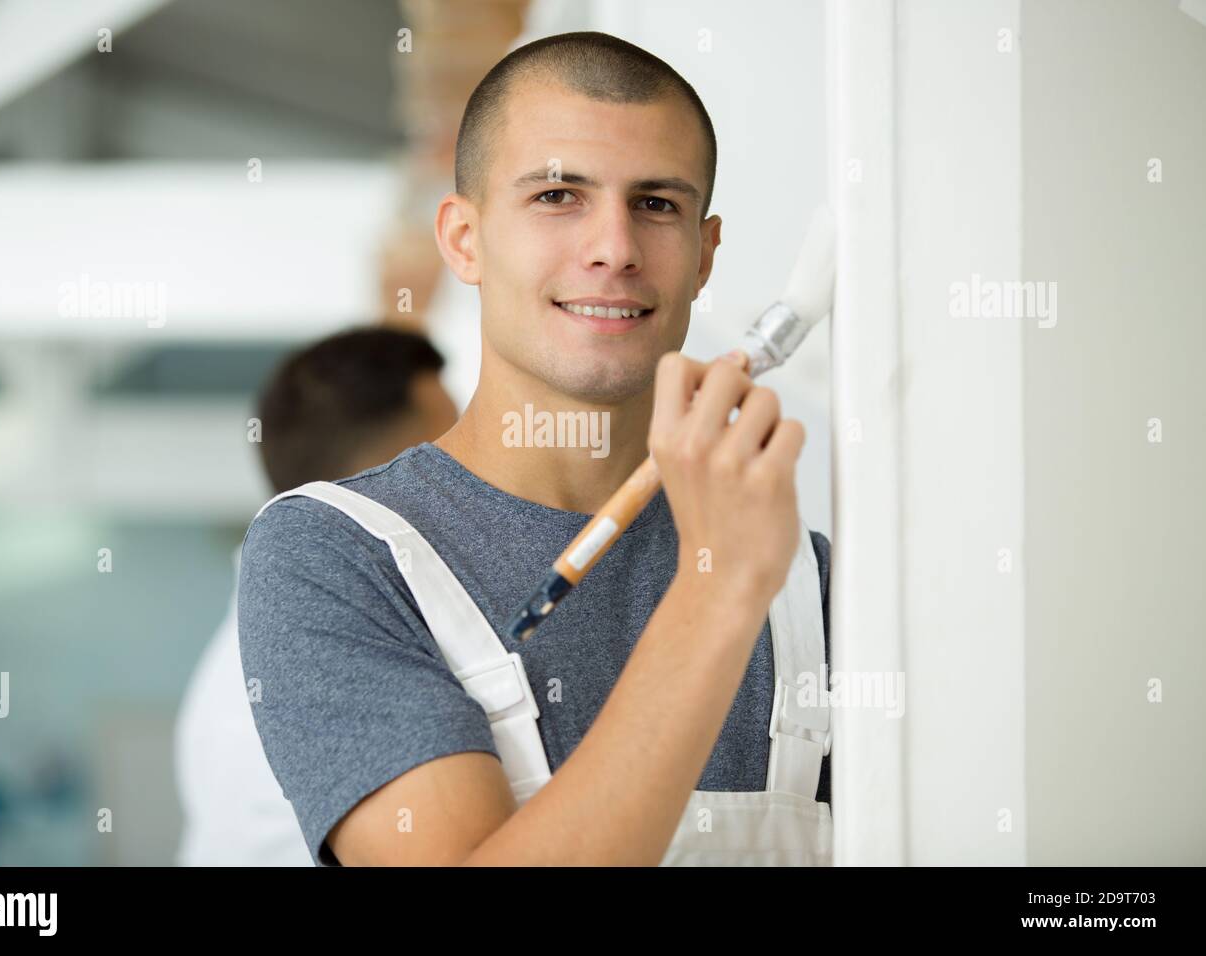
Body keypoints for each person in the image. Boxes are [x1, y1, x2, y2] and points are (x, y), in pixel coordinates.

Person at [238, 31, 833, 867]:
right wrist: (720, 587)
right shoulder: (334, 556)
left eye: (657, 203)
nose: (615, 249)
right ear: (463, 239)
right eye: (558, 196)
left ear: (705, 256)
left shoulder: (810, 584)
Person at [173, 327, 458, 866]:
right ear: (383, 478)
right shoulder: (327, 654)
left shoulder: (265, 634)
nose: (475, 476)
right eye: (453, 452)